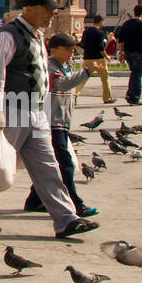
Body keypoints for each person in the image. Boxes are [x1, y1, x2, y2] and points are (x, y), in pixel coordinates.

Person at [0, 0, 98, 239]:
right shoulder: (8, 35)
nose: (51, 18)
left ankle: (66, 218)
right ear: (31, 9)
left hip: (35, 112)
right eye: (47, 12)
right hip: (11, 110)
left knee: (47, 166)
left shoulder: (36, 35)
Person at [22, 32, 97, 218]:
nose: (72, 52)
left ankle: (34, 200)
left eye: (74, 48)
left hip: (62, 122)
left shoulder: (67, 66)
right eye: (68, 49)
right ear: (54, 50)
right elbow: (62, 85)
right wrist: (86, 73)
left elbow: (70, 90)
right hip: (51, 123)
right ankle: (74, 203)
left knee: (48, 165)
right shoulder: (49, 67)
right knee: (65, 164)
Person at [76, 13, 114, 103]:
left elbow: (83, 44)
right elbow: (100, 48)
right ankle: (107, 98)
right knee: (105, 79)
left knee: (83, 79)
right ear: (101, 22)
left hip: (87, 58)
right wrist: (107, 56)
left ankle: (74, 95)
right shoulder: (100, 32)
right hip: (98, 59)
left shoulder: (86, 32)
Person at [116, 5, 142, 105]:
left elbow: (120, 40)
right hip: (138, 52)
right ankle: (134, 98)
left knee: (133, 73)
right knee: (137, 75)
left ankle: (130, 94)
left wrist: (121, 53)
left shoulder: (126, 24)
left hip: (128, 52)